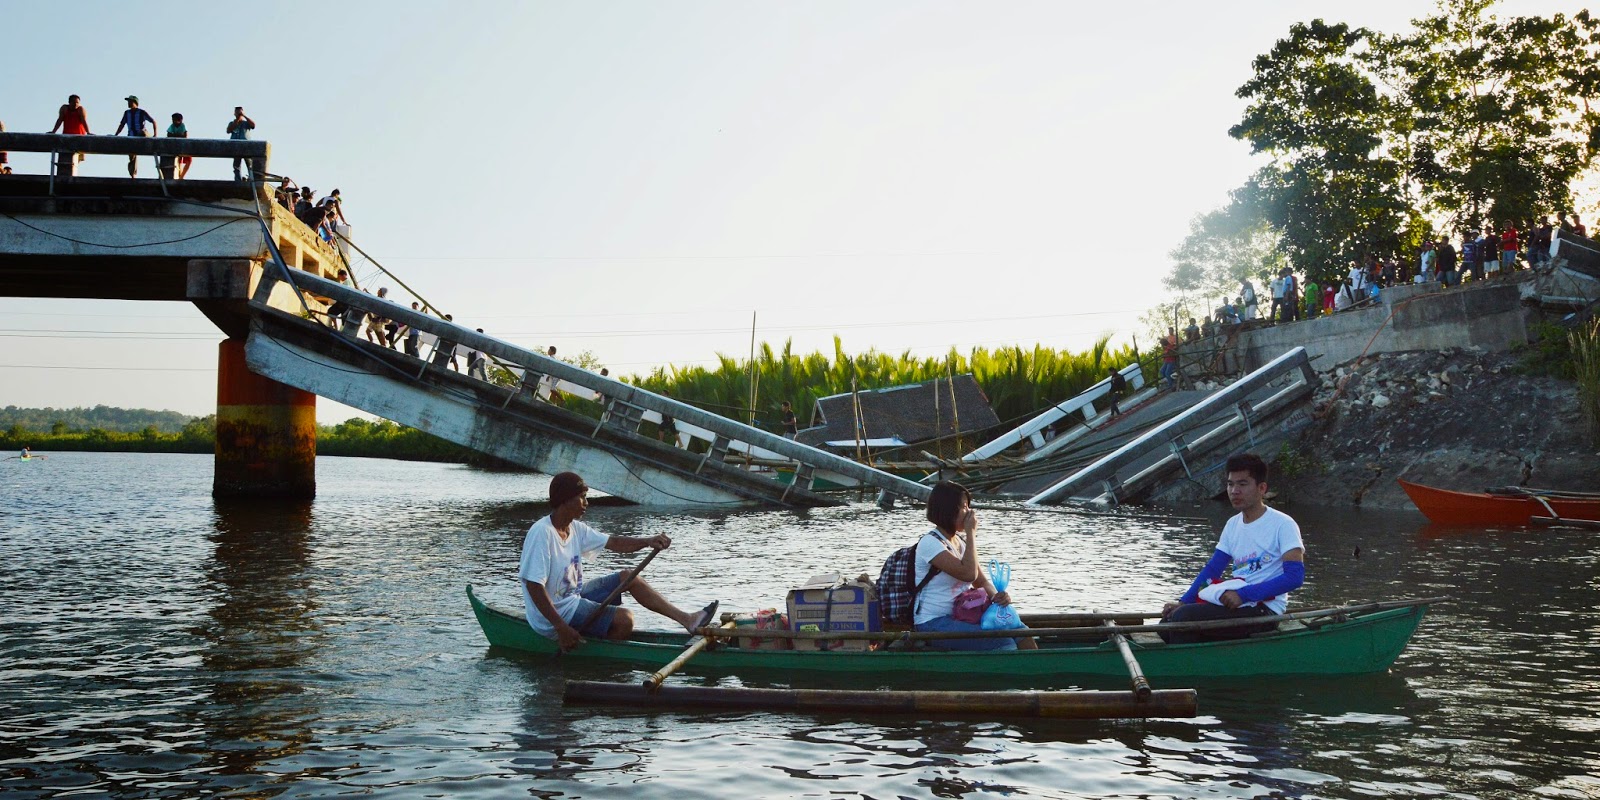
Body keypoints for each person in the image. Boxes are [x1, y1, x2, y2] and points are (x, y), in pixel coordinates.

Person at [520, 472, 719, 652]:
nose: (586, 503)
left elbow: (614, 543)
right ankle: (592, 652)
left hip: (573, 599)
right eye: (581, 497)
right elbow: (534, 586)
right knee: (625, 620)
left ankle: (688, 620)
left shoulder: (576, 529)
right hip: (553, 617)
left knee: (628, 576)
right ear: (564, 500)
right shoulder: (542, 533)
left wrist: (647, 542)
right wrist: (561, 627)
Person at [1159, 453, 1305, 644]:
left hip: (1264, 610)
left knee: (1184, 618)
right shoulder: (1232, 525)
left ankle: (1187, 669)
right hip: (1239, 604)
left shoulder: (1283, 524)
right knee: (1168, 621)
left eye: (1242, 484)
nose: (1234, 491)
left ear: (1262, 488)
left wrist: (1243, 595)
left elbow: (1294, 577)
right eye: (1230, 484)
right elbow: (1213, 570)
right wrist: (1184, 601)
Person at [912, 481, 1035, 650]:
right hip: (934, 622)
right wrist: (971, 533)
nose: (969, 512)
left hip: (964, 615)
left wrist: (997, 598)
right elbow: (968, 574)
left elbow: (981, 582)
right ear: (948, 510)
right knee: (1002, 642)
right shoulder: (930, 543)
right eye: (964, 507)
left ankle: (1038, 674)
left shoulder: (960, 543)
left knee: (1020, 631)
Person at [113, 96, 156, 177]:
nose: (128, 103)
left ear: (135, 103)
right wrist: (116, 135)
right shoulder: (127, 113)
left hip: (142, 134)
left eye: (130, 102)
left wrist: (155, 134)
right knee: (132, 156)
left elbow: (153, 121)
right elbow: (122, 124)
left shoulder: (142, 112)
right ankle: (133, 175)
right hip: (132, 136)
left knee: (142, 132)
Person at [225, 106, 255, 181]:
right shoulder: (232, 123)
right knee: (236, 165)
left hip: (246, 146)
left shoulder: (246, 123)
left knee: (249, 163)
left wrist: (244, 116)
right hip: (235, 146)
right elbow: (229, 130)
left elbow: (253, 125)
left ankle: (251, 178)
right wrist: (238, 119)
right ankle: (238, 179)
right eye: (237, 112)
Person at [165, 112, 192, 179]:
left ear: (179, 120)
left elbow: (185, 135)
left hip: (183, 145)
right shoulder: (172, 126)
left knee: (188, 160)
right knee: (178, 161)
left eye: (174, 120)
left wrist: (174, 135)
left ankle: (182, 175)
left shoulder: (182, 126)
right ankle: (180, 175)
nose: (173, 122)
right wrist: (179, 135)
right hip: (176, 146)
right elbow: (168, 135)